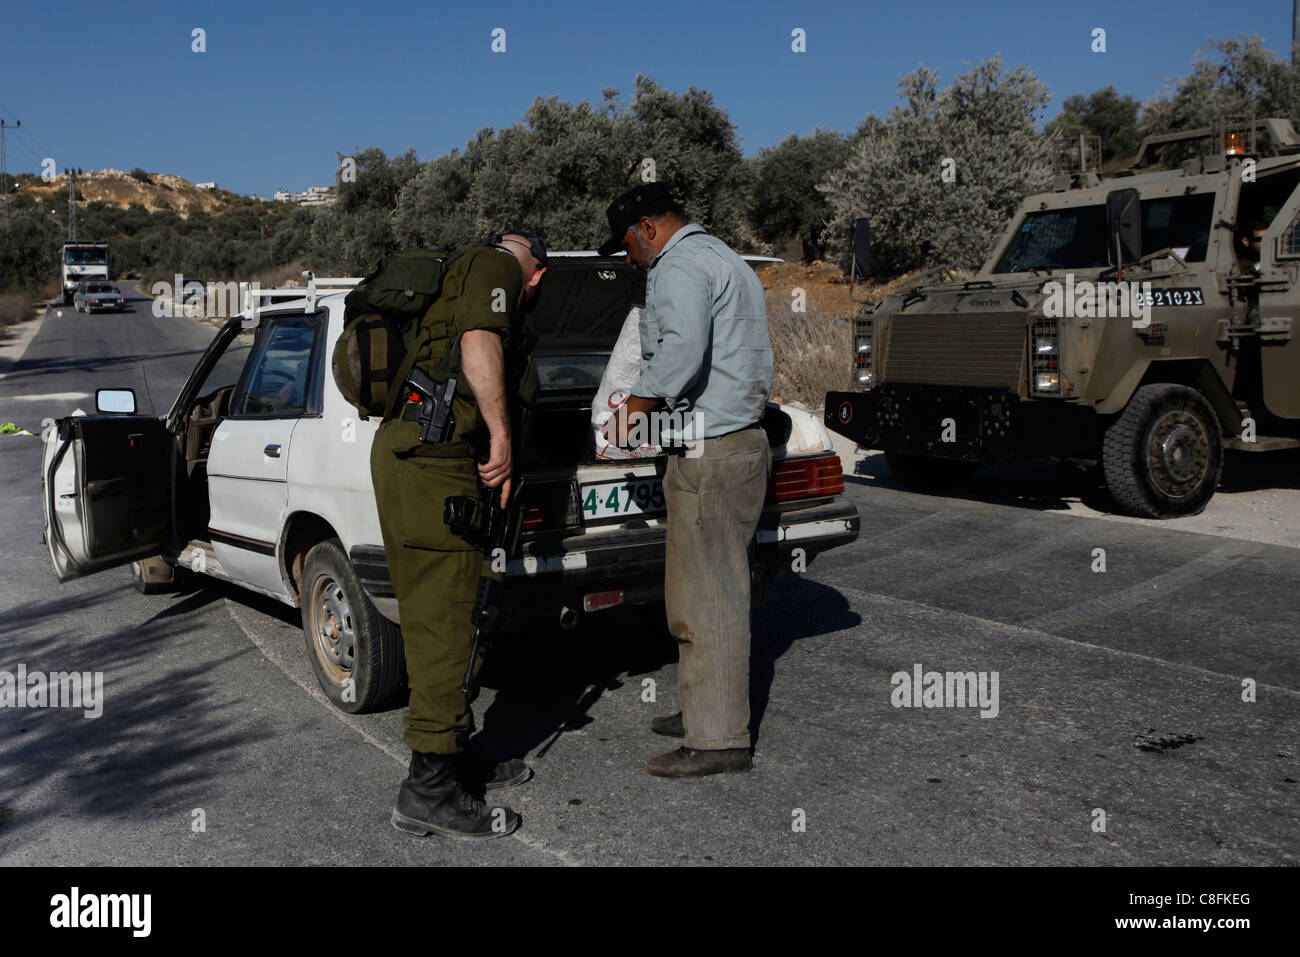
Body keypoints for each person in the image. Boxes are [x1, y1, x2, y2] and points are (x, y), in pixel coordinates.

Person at [371, 230, 547, 838]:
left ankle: (455, 751)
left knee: (452, 613)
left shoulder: (455, 274)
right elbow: (478, 342)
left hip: (421, 453)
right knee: (445, 621)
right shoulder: (498, 266)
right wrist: (500, 433)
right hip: (436, 458)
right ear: (537, 273)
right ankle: (427, 790)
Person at [597, 183, 774, 777]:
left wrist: (631, 413)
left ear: (647, 228)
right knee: (718, 588)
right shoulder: (727, 259)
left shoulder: (676, 266)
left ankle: (718, 740)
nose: (629, 260)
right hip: (739, 444)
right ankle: (708, 708)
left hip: (710, 452)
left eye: (627, 245)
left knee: (707, 598)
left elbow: (681, 352)